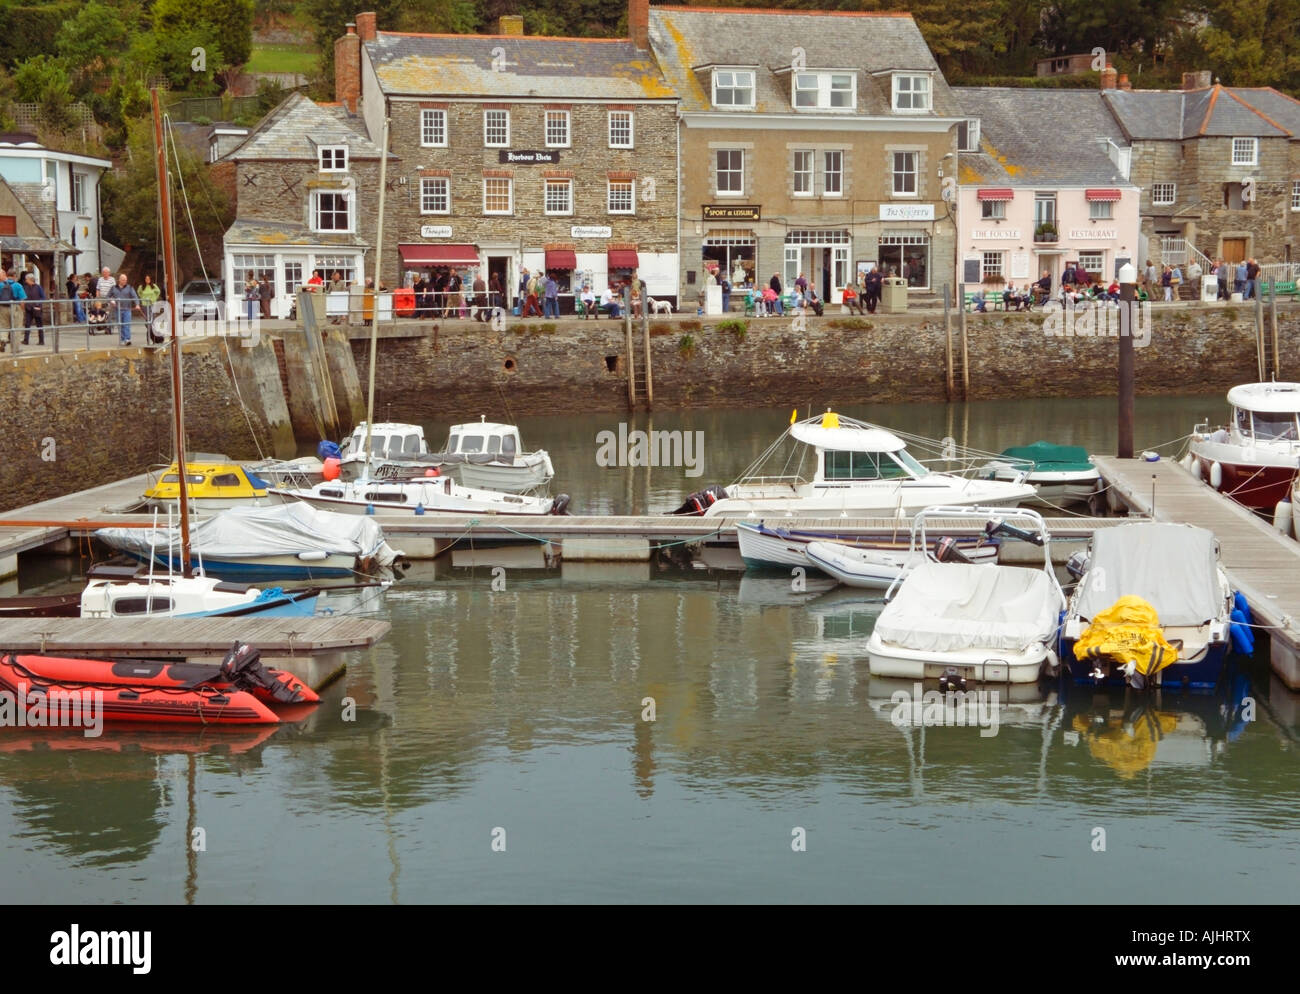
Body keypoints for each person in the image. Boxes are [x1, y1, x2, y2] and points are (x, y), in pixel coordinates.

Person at [107, 272, 140, 345]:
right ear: (119, 280)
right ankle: (122, 339)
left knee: (126, 324)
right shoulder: (113, 288)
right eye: (123, 280)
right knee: (120, 325)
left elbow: (134, 296)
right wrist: (111, 301)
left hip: (127, 309)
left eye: (125, 280)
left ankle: (127, 339)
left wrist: (137, 304)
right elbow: (108, 296)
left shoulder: (130, 287)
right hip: (117, 309)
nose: (125, 281)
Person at [21, 272, 46, 345]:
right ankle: (26, 340)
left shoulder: (38, 287)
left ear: (30, 279)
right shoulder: (25, 287)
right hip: (28, 308)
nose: (25, 280)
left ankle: (41, 341)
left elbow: (43, 297)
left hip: (37, 308)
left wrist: (38, 303)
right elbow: (23, 297)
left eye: (26, 279)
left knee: (39, 325)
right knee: (27, 324)